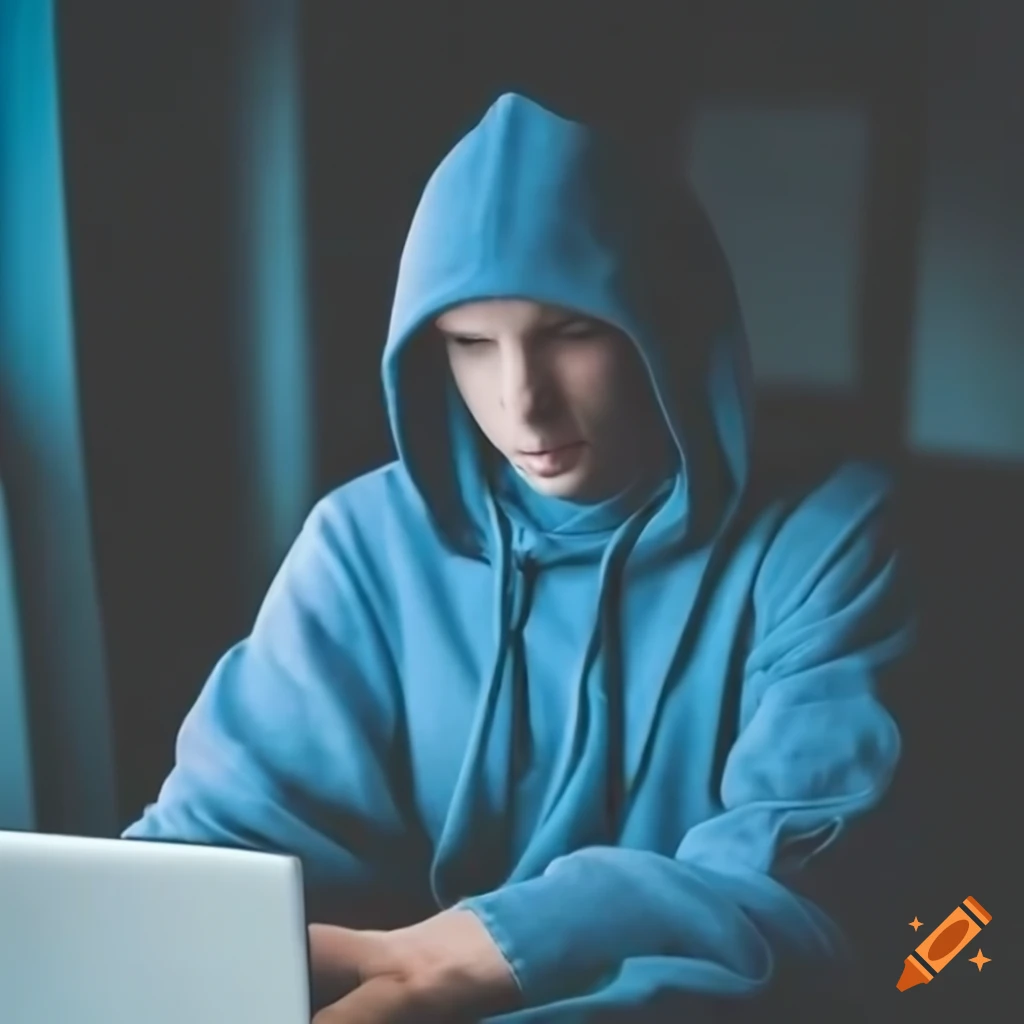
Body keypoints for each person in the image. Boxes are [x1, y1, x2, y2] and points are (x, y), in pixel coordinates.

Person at [123, 93, 915, 1022]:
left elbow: (816, 897)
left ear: (667, 323)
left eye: (571, 334)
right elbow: (219, 841)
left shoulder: (830, 537)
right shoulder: (362, 543)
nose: (522, 404)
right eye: (469, 344)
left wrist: (472, 954)